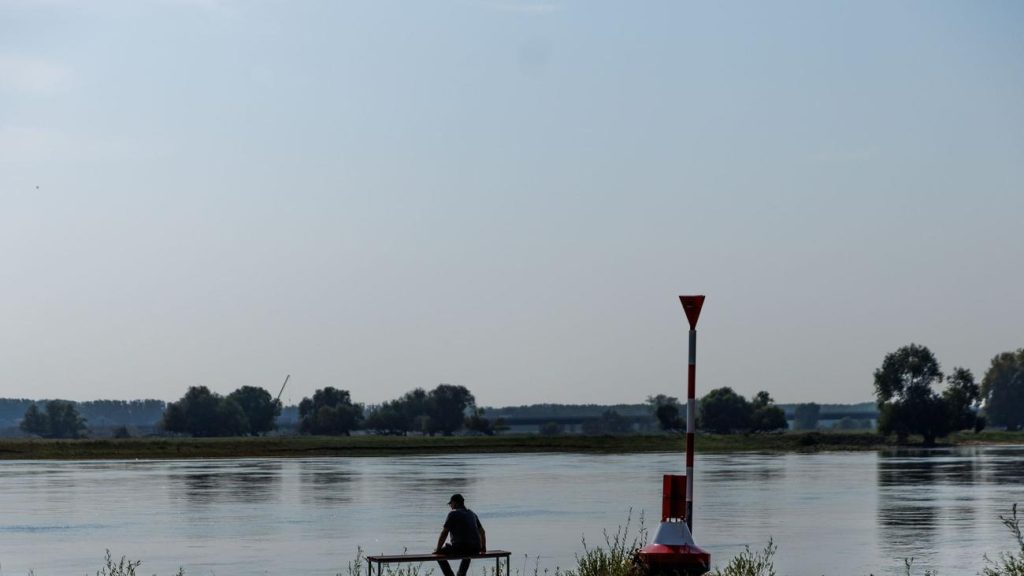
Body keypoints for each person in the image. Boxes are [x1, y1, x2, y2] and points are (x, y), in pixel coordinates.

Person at [434, 493, 486, 576]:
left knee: (439, 555)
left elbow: (444, 533)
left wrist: (437, 549)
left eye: (451, 504)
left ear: (455, 503)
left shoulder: (453, 514)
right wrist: (483, 548)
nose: (450, 506)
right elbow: (482, 532)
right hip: (475, 549)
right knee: (468, 552)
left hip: (460, 548)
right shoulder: (472, 514)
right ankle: (461, 574)